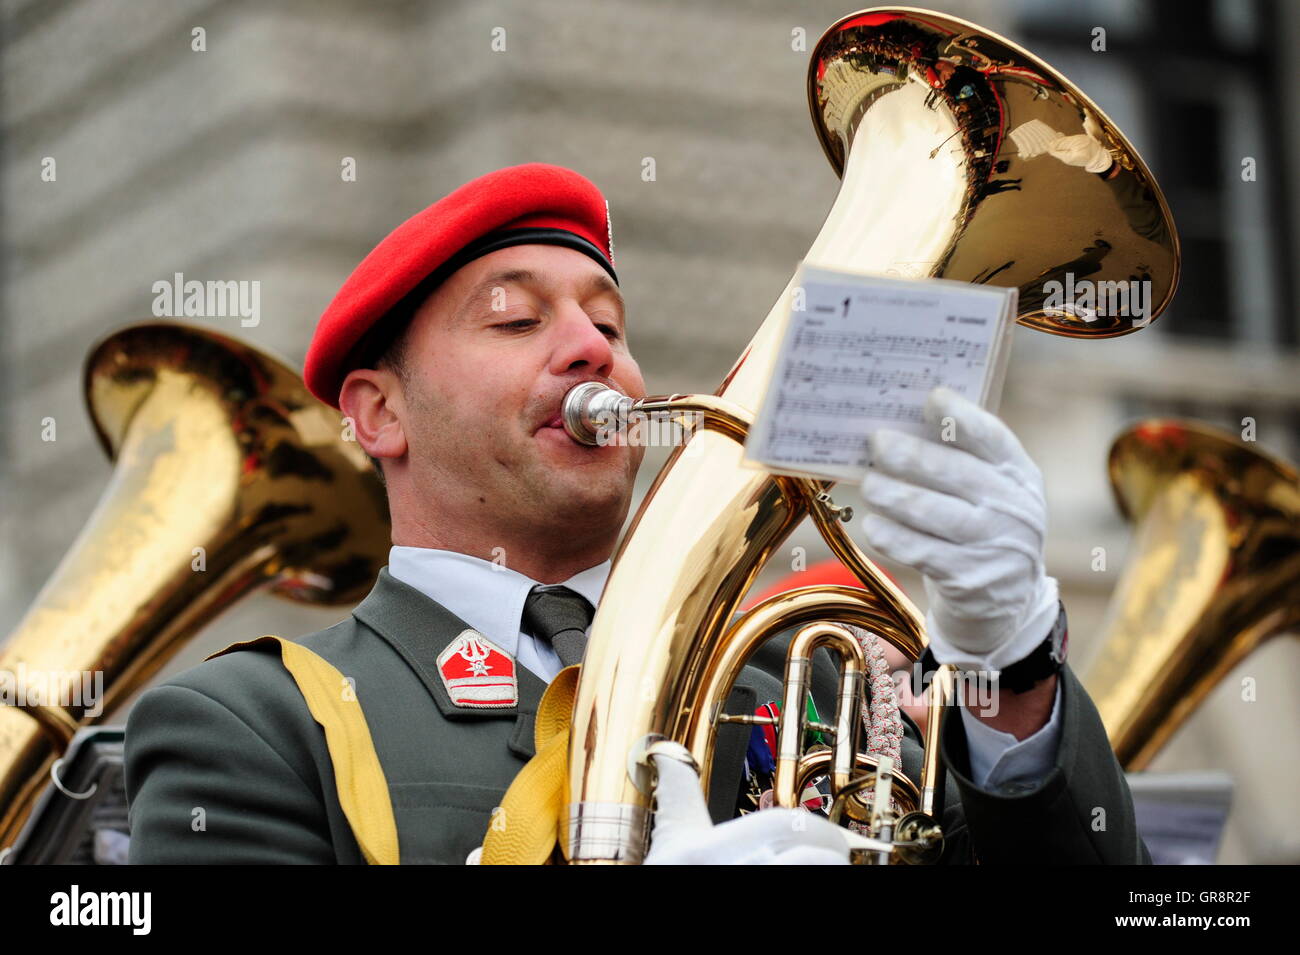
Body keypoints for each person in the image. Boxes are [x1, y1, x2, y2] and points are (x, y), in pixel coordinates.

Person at [123, 163, 1149, 864]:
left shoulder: (810, 684)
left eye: (608, 323)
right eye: (517, 318)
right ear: (378, 413)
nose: (592, 349)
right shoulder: (256, 723)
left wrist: (1009, 670)